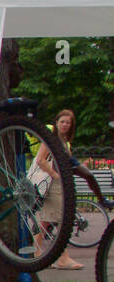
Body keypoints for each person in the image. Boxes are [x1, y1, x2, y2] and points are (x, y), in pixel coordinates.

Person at [34, 108, 106, 270]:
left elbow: (67, 164)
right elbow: (40, 160)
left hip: (59, 185)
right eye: (62, 122)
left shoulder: (64, 142)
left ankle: (36, 254)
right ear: (56, 123)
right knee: (60, 220)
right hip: (53, 185)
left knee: (48, 220)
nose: (65, 125)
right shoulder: (51, 140)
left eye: (68, 122)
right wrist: (55, 175)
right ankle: (62, 258)